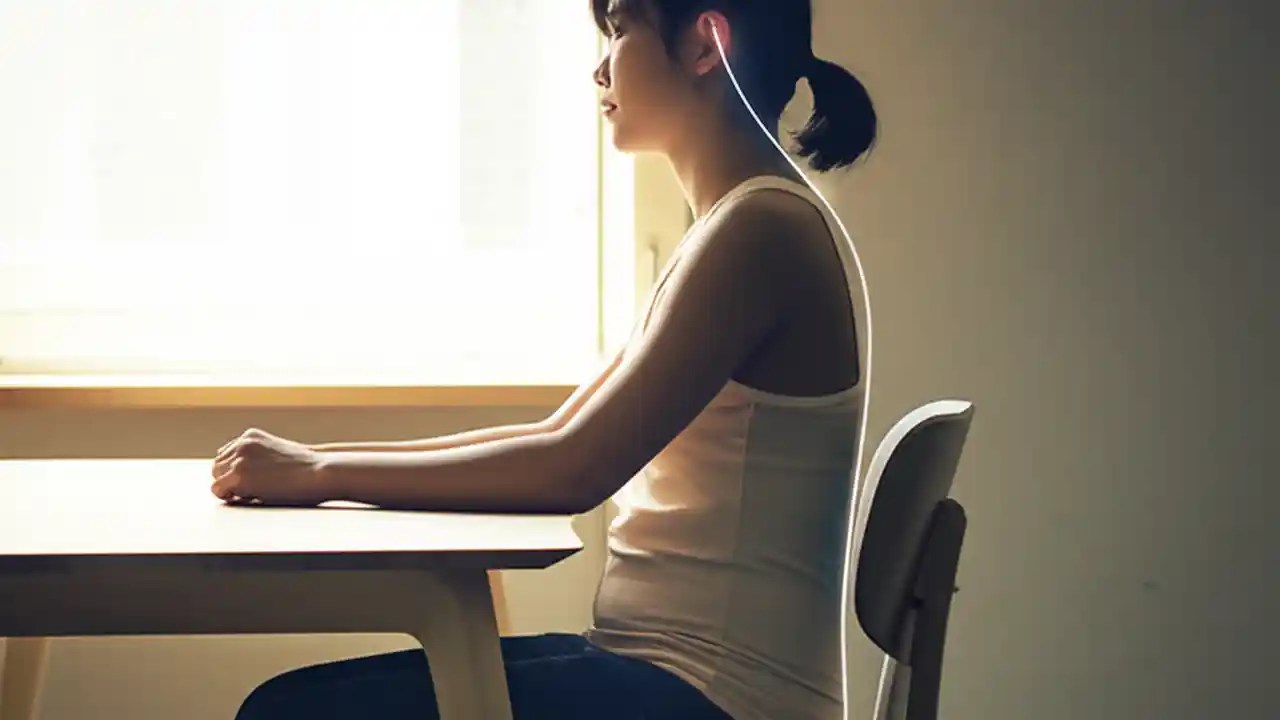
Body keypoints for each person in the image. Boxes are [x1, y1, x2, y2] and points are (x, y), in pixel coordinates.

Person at [216, 0, 876, 717]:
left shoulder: (760, 232)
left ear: (705, 46)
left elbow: (571, 469)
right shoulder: (733, 226)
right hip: (664, 675)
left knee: (284, 714)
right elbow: (556, 435)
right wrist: (318, 463)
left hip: (712, 696)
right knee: (287, 704)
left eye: (619, 30)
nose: (600, 68)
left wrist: (321, 473)